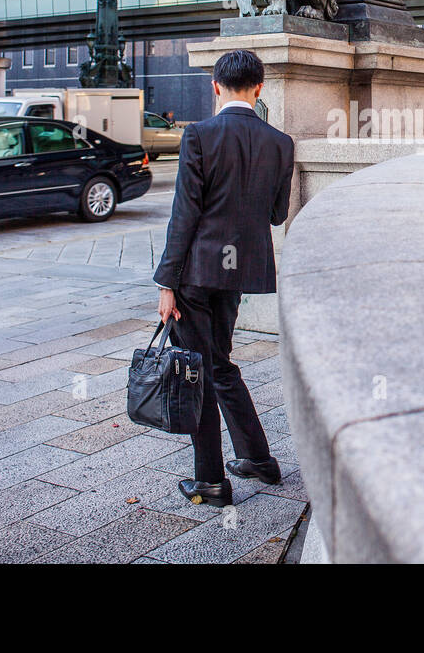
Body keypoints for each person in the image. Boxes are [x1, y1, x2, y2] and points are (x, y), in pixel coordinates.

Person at [154, 49, 293, 507]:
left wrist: (166, 283)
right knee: (218, 364)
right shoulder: (280, 142)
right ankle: (258, 458)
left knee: (197, 371)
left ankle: (211, 481)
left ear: (215, 86)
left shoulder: (199, 135)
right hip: (237, 273)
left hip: (196, 273)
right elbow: (276, 215)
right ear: (259, 89)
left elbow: (184, 215)